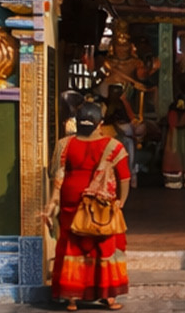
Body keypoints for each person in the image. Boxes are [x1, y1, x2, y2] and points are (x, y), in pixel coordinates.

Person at [45, 101, 131, 311]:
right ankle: (108, 297)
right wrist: (121, 202)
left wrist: (53, 201)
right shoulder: (113, 146)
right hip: (101, 206)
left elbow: (54, 173)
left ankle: (71, 298)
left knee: (71, 247)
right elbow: (124, 178)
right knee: (103, 246)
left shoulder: (64, 144)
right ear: (99, 124)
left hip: (71, 202)